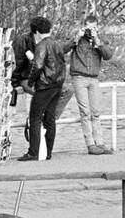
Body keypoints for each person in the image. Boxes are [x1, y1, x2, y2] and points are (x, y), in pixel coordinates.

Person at [62, 13, 113, 155]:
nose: (90, 31)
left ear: (97, 27)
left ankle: (100, 143)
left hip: (94, 78)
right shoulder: (77, 36)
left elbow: (108, 55)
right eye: (88, 28)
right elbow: (62, 49)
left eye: (94, 28)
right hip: (79, 77)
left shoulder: (99, 38)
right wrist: (76, 39)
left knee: (96, 112)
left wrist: (98, 41)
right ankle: (90, 144)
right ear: (84, 26)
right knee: (85, 112)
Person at [18, 16, 66, 161]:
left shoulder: (42, 45)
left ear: (36, 31)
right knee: (50, 119)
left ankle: (33, 152)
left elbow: (38, 65)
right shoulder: (57, 44)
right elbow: (62, 64)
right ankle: (48, 152)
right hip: (57, 84)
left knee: (35, 118)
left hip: (45, 85)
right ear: (49, 29)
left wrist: (31, 81)